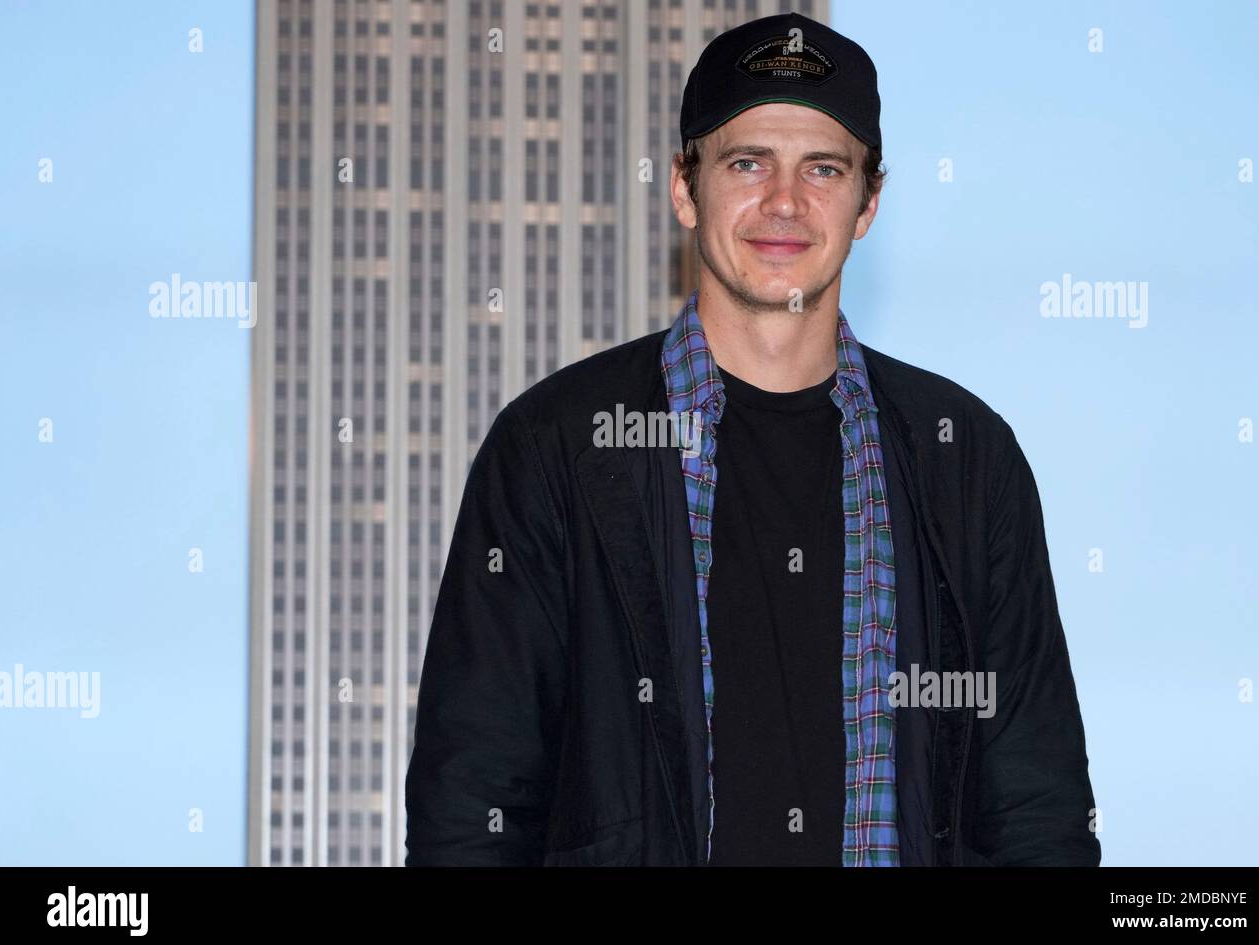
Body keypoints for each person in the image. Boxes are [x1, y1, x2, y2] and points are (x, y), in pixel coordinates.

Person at [405, 11, 1100, 867]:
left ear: (869, 202)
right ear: (684, 190)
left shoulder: (966, 456)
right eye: (746, 163)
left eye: (823, 168)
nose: (785, 202)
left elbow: (1039, 807)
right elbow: (472, 801)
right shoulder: (558, 447)